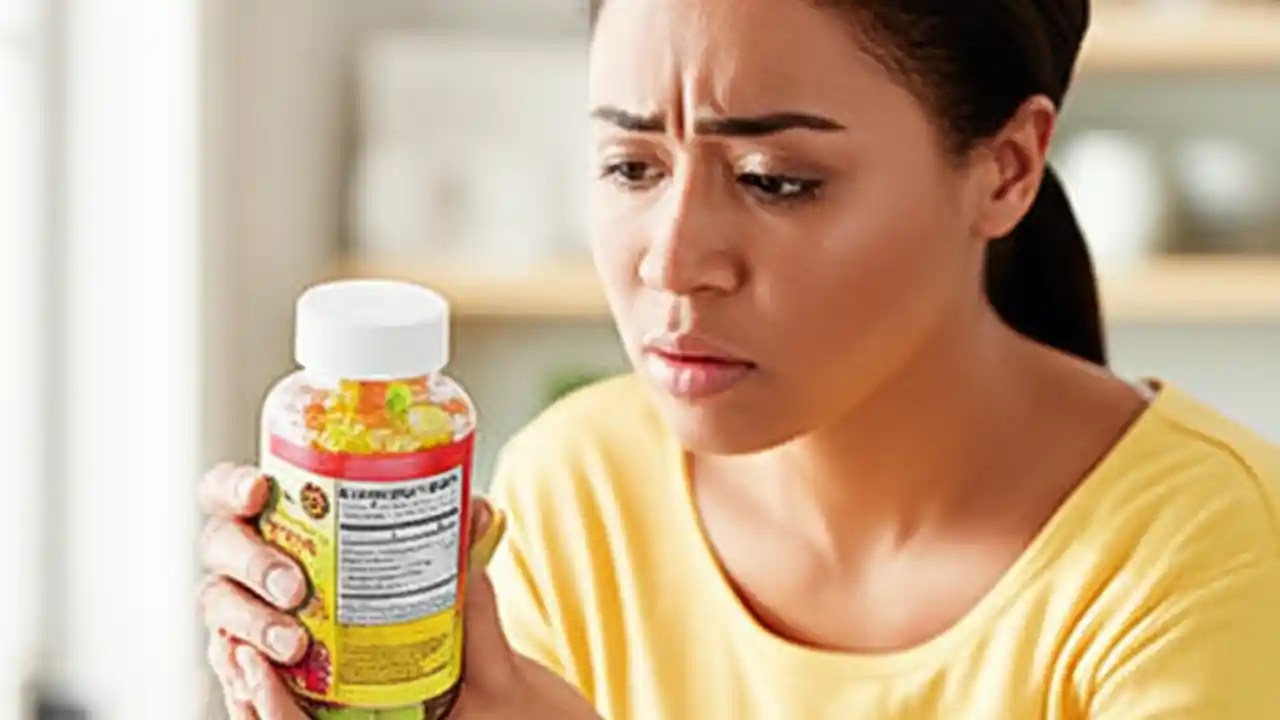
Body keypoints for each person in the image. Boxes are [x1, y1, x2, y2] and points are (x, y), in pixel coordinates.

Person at [197, 0, 1280, 717]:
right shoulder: (577, 487)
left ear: (1003, 168)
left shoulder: (1197, 547)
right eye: (629, 165)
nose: (674, 262)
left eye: (773, 179)